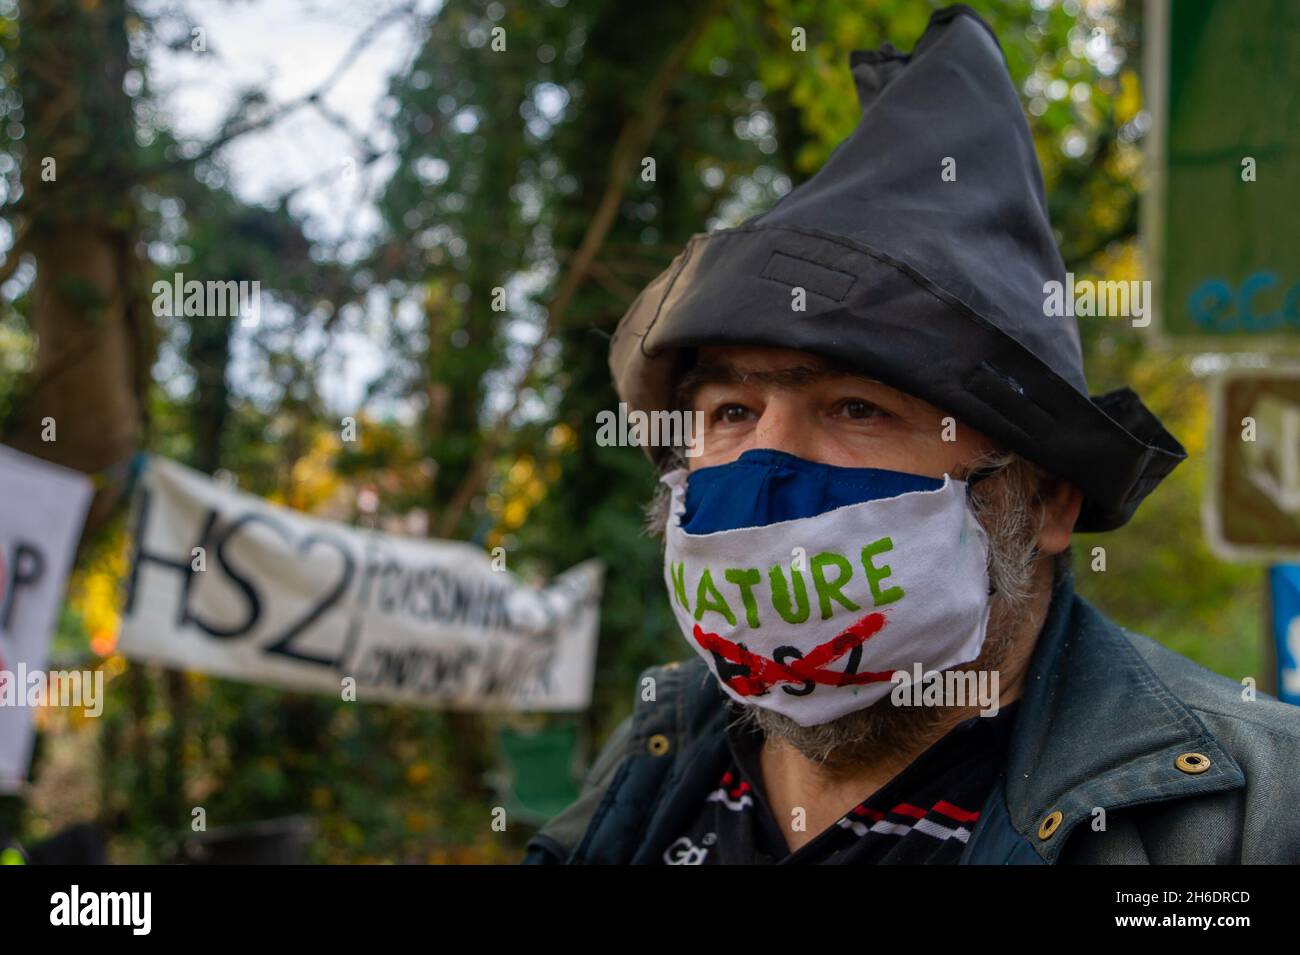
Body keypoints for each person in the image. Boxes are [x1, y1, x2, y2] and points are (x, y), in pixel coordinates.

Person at [522, 4, 1300, 864]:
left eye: (858, 407)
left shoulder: (1249, 818)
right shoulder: (650, 758)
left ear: (1044, 499)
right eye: (730, 412)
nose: (766, 465)